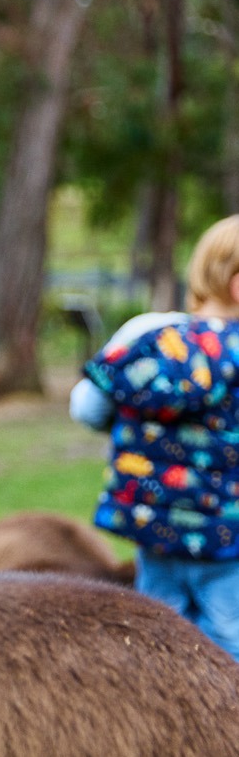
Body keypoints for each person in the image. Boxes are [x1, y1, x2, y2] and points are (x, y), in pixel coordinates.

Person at [78, 215, 239, 660]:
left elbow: (88, 407)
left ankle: (159, 720)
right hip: (226, 536)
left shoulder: (154, 341)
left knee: (157, 632)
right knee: (227, 635)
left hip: (152, 528)